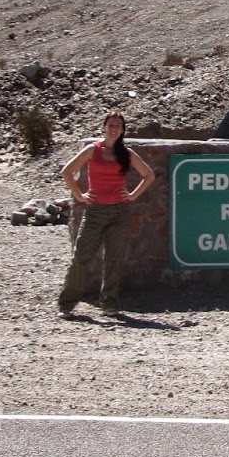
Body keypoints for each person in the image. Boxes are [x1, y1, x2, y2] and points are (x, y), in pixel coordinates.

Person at [57, 111, 154, 318]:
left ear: (123, 130)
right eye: (111, 124)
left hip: (119, 211)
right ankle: (67, 303)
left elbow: (148, 175)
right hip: (95, 211)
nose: (114, 129)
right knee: (81, 256)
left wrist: (132, 195)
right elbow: (67, 171)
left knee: (114, 258)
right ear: (104, 127)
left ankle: (109, 302)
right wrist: (80, 195)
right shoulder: (93, 150)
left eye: (118, 125)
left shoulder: (126, 153)